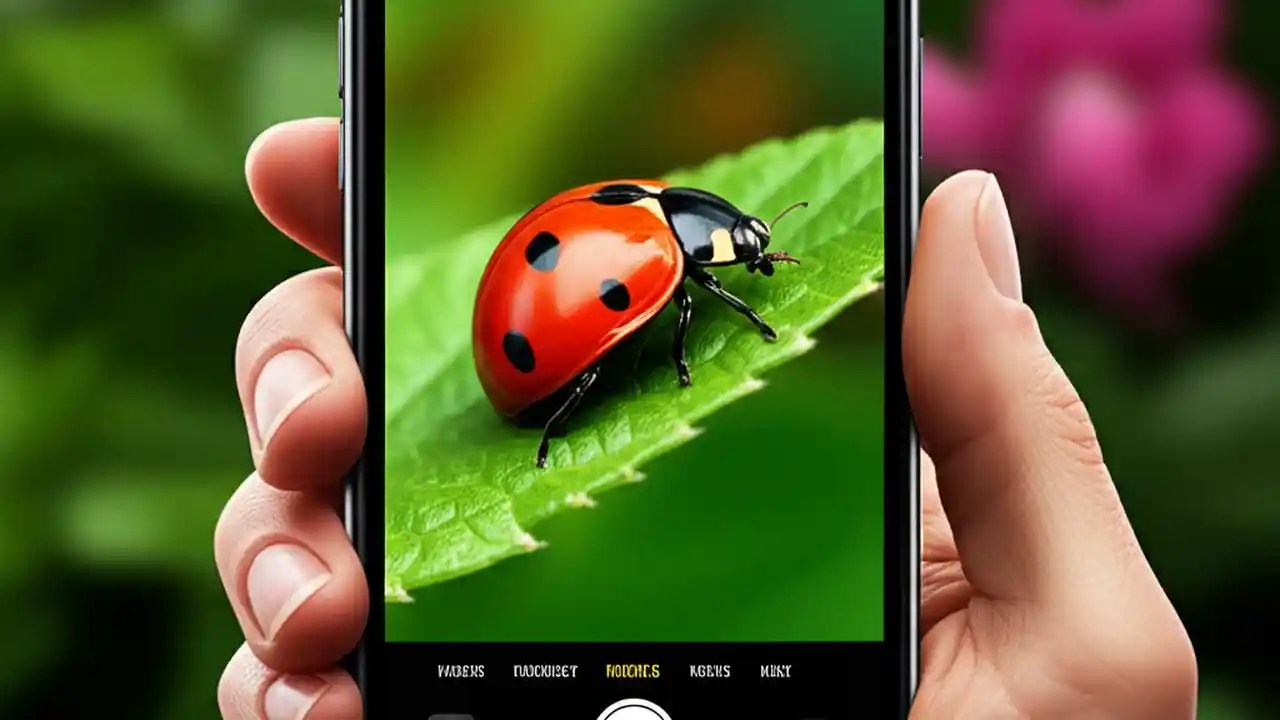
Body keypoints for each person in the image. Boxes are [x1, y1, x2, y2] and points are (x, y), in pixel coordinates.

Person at [214, 119, 1198, 719]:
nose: (746, 258)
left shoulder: (657, 225)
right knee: (670, 320)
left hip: (511, 356)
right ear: (711, 237)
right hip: (516, 378)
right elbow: (680, 302)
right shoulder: (662, 249)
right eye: (739, 248)